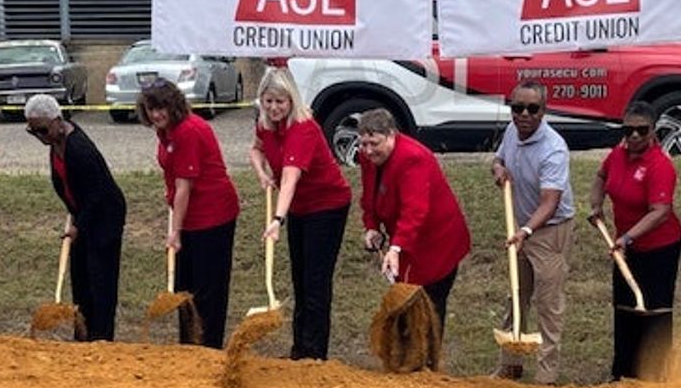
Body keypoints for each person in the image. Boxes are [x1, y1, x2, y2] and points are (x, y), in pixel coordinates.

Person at [249, 68, 351, 360]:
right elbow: (256, 150)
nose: (274, 107)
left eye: (280, 101)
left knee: (315, 280)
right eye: (268, 101)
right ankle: (299, 349)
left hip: (327, 204)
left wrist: (277, 220)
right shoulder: (265, 123)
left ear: (291, 99)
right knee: (299, 277)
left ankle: (314, 354)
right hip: (298, 205)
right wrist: (262, 174)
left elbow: (291, 177)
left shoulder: (303, 128)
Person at [138, 79, 240, 348]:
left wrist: (175, 232)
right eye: (151, 108)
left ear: (174, 105)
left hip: (212, 215)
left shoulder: (188, 131)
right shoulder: (166, 132)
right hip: (189, 214)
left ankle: (208, 348)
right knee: (184, 288)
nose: (156, 114)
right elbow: (174, 177)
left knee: (208, 289)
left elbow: (185, 186)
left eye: (161, 107)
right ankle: (189, 345)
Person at [589, 100, 681, 381]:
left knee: (654, 310)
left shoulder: (660, 165)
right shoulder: (618, 153)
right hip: (624, 245)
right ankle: (622, 374)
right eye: (628, 129)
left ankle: (654, 376)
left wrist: (628, 238)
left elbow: (661, 212)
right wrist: (596, 204)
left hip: (658, 249)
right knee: (625, 307)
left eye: (642, 130)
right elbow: (601, 175)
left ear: (653, 131)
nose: (633, 136)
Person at [489, 82, 575, 385]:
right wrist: (498, 169)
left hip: (550, 231)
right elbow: (498, 159)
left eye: (532, 109)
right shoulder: (512, 131)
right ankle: (510, 365)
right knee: (515, 295)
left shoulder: (553, 149)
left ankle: (546, 376)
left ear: (544, 111)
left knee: (548, 304)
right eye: (517, 108)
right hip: (521, 227)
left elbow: (550, 203)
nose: (524, 114)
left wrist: (526, 230)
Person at [357, 108, 470, 334]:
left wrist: (396, 248)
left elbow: (415, 210)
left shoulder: (412, 158)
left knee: (429, 309)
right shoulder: (368, 156)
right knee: (405, 307)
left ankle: (428, 362)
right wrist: (371, 226)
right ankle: (403, 360)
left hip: (437, 242)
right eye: (363, 143)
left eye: (374, 143)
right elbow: (369, 192)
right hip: (407, 241)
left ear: (391, 136)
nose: (368, 150)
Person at [24, 94, 127, 341]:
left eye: (42, 129)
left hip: (104, 217)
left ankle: (101, 338)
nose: (40, 136)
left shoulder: (80, 149)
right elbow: (67, 186)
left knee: (99, 279)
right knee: (80, 278)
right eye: (33, 131)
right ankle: (83, 333)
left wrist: (79, 225)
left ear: (58, 122)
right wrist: (74, 214)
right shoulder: (55, 145)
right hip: (82, 214)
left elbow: (96, 194)